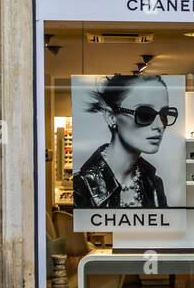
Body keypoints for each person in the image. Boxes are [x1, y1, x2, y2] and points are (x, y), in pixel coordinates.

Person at [73, 74, 176, 208]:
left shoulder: (153, 184)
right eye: (145, 114)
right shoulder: (80, 188)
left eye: (163, 114)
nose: (160, 125)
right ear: (111, 116)